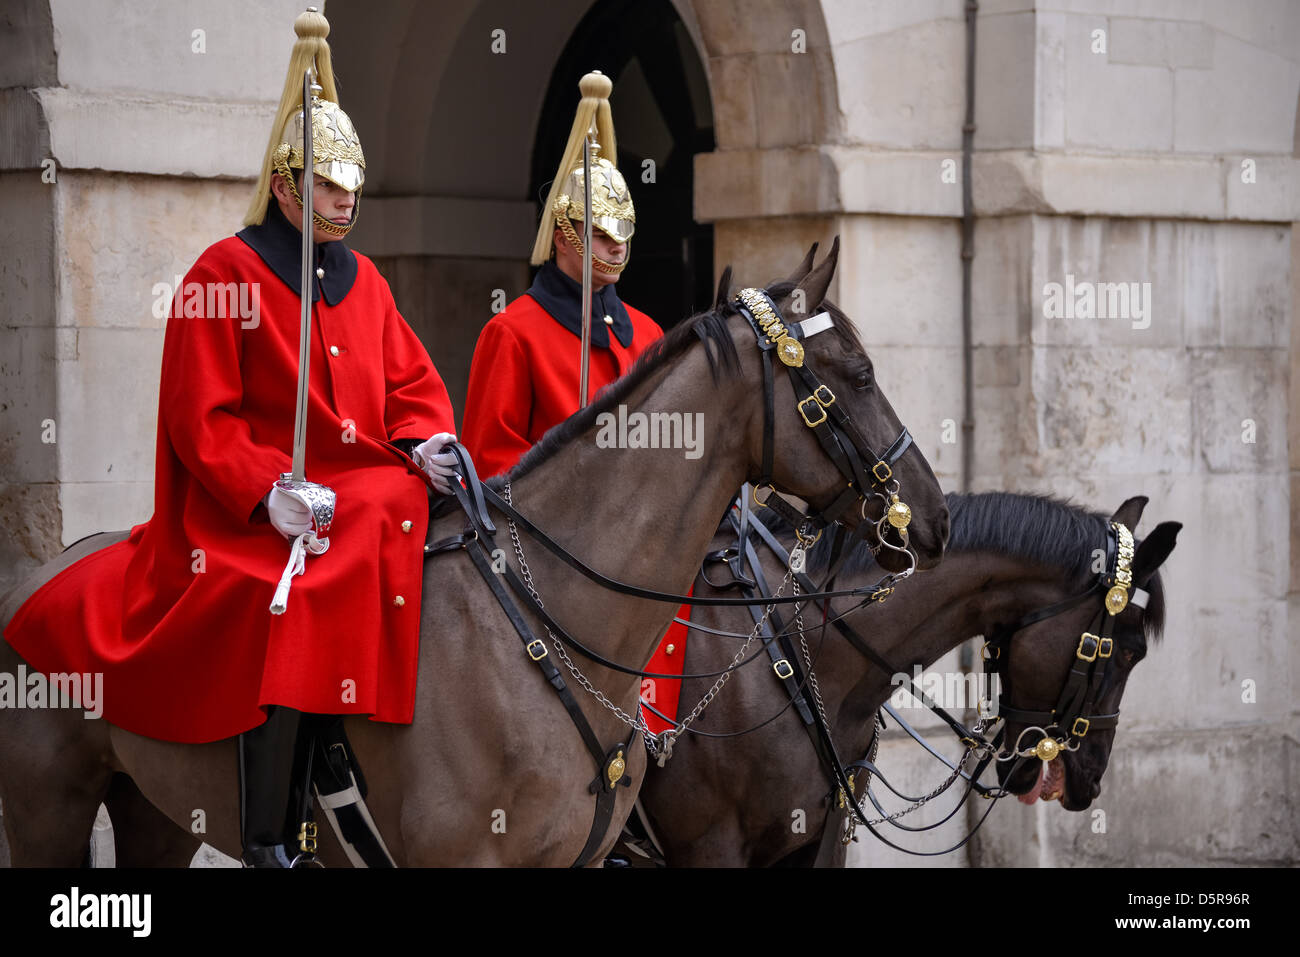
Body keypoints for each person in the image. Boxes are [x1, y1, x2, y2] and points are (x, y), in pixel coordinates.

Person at [3, 8, 458, 867]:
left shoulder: (366, 286)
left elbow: (413, 389)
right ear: (288, 185)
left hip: (361, 490)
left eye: (354, 186)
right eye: (329, 186)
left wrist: (429, 440)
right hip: (245, 519)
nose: (347, 200)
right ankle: (271, 831)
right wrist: (265, 489)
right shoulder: (224, 273)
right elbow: (197, 420)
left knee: (409, 528)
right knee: (289, 593)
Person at [459, 71, 688, 746]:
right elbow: (493, 459)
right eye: (601, 233)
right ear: (563, 233)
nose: (617, 247)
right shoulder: (515, 331)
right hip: (553, 560)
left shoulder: (647, 334)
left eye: (624, 234)